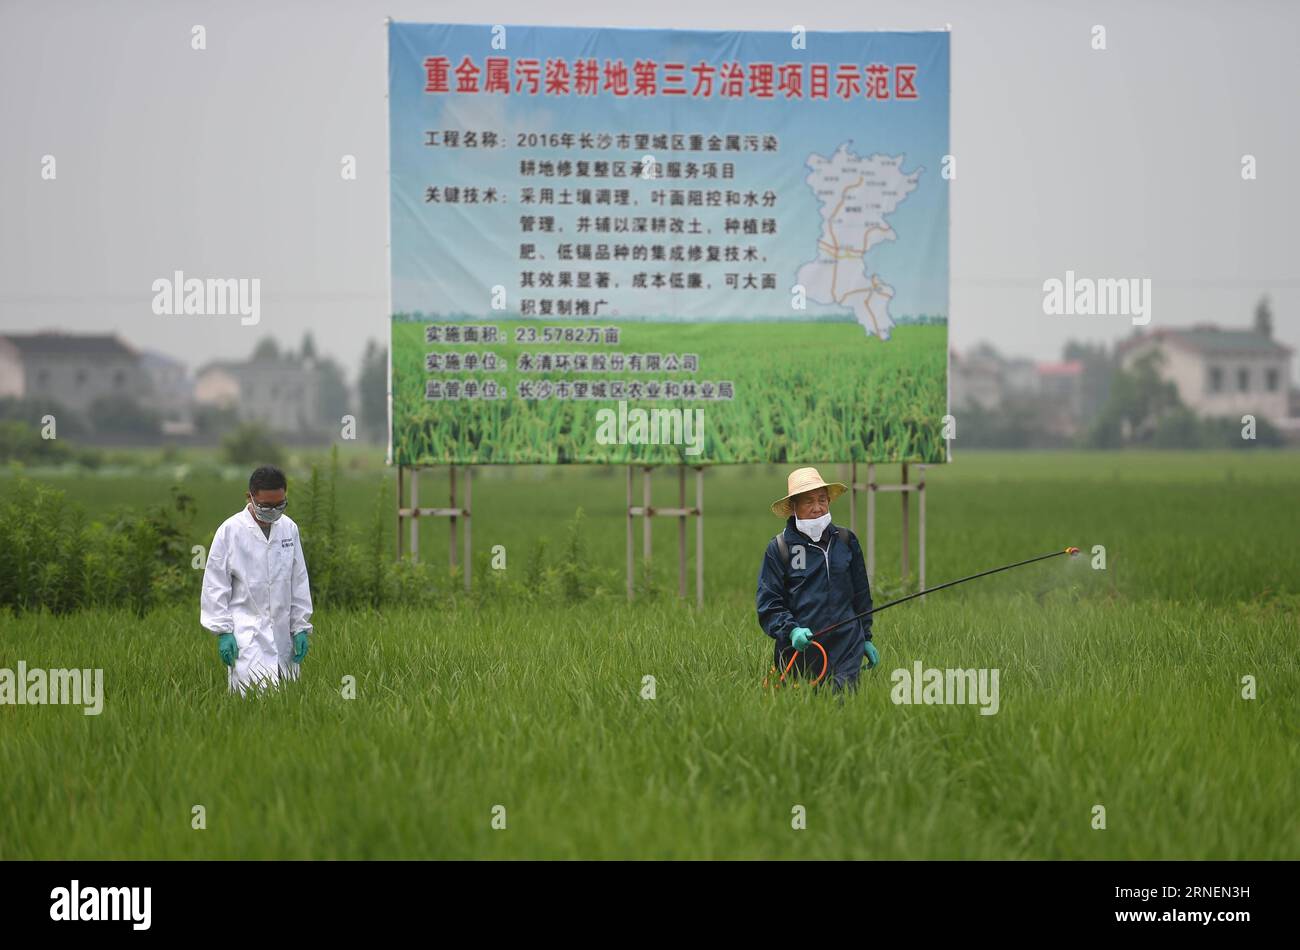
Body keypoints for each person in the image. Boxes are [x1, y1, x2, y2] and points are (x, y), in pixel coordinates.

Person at [756, 466, 878, 692]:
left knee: (842, 696)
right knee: (807, 704)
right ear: (793, 507)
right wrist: (792, 631)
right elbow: (769, 604)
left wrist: (866, 637)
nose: (817, 508)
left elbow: (861, 595)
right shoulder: (780, 549)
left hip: (847, 644)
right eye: (808, 501)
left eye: (822, 500)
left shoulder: (845, 540)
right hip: (801, 649)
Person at [200, 464, 313, 694]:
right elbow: (215, 585)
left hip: (284, 636)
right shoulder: (230, 531)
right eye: (266, 506)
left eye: (279, 505)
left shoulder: (289, 529)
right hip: (247, 636)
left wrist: (300, 627)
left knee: (288, 705)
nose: (272, 511)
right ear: (250, 497)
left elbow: (298, 581)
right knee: (251, 702)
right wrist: (223, 632)